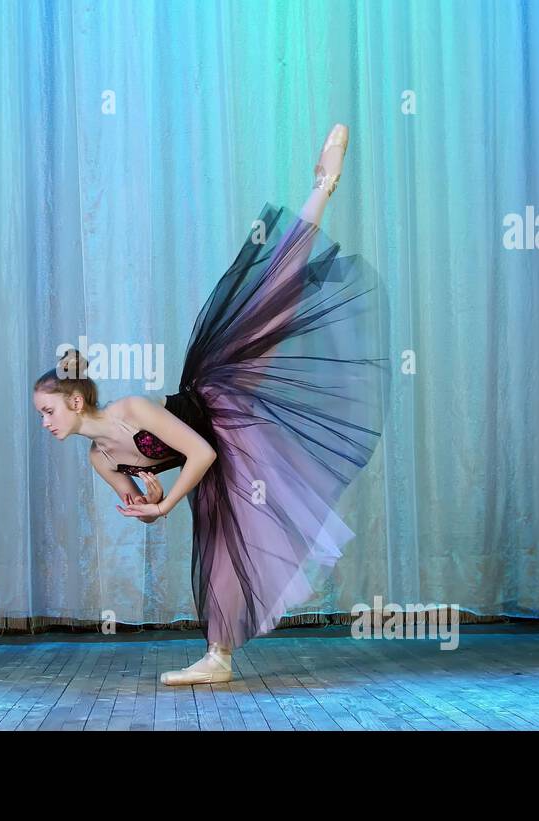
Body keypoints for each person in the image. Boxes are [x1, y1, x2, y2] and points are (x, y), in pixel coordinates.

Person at [32, 124, 389, 685]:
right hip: (215, 461)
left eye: (49, 410)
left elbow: (198, 453)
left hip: (224, 400)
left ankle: (322, 185)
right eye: (41, 416)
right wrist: (147, 501)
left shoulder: (131, 411)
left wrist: (168, 500)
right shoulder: (100, 458)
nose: (45, 422)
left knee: (273, 293)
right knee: (221, 547)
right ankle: (219, 658)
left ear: (77, 401)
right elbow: (142, 504)